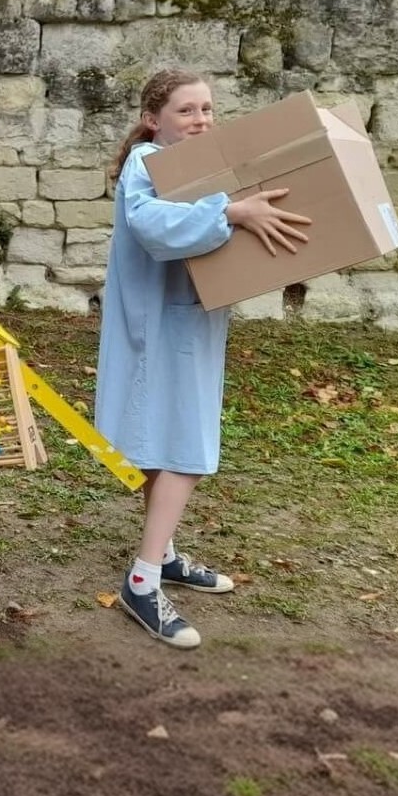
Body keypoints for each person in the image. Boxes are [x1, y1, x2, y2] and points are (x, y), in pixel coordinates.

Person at [97, 69, 312, 648]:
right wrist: (232, 213)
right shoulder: (147, 164)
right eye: (187, 111)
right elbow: (152, 227)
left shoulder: (206, 170)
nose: (201, 121)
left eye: (208, 110)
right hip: (157, 328)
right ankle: (141, 584)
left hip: (190, 320)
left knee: (168, 441)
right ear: (154, 119)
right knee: (185, 450)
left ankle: (162, 555)